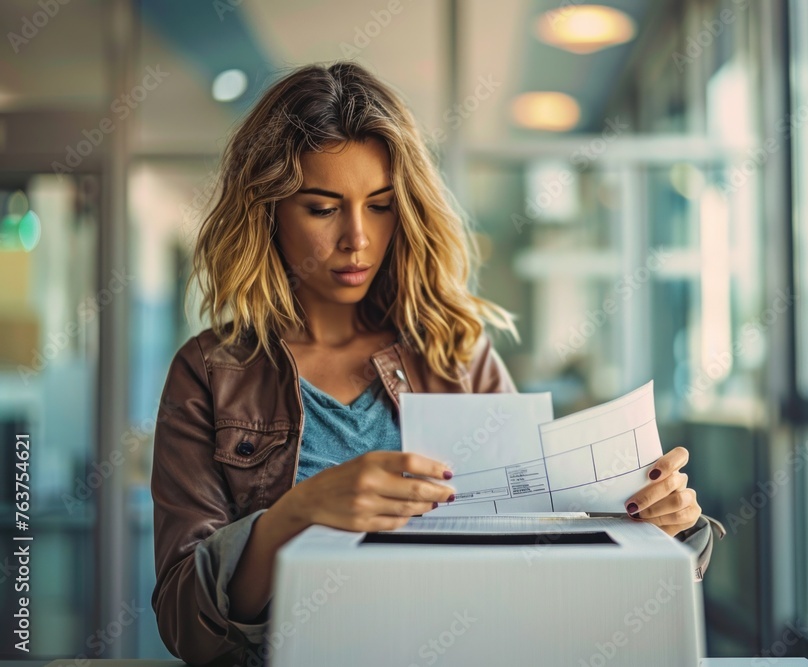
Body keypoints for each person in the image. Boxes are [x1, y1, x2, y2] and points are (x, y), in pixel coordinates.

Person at [150, 61, 724, 666]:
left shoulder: (459, 356)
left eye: (380, 205)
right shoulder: (209, 372)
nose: (358, 239)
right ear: (267, 211)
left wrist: (664, 525)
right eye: (322, 209)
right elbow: (185, 623)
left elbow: (540, 550)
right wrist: (296, 514)